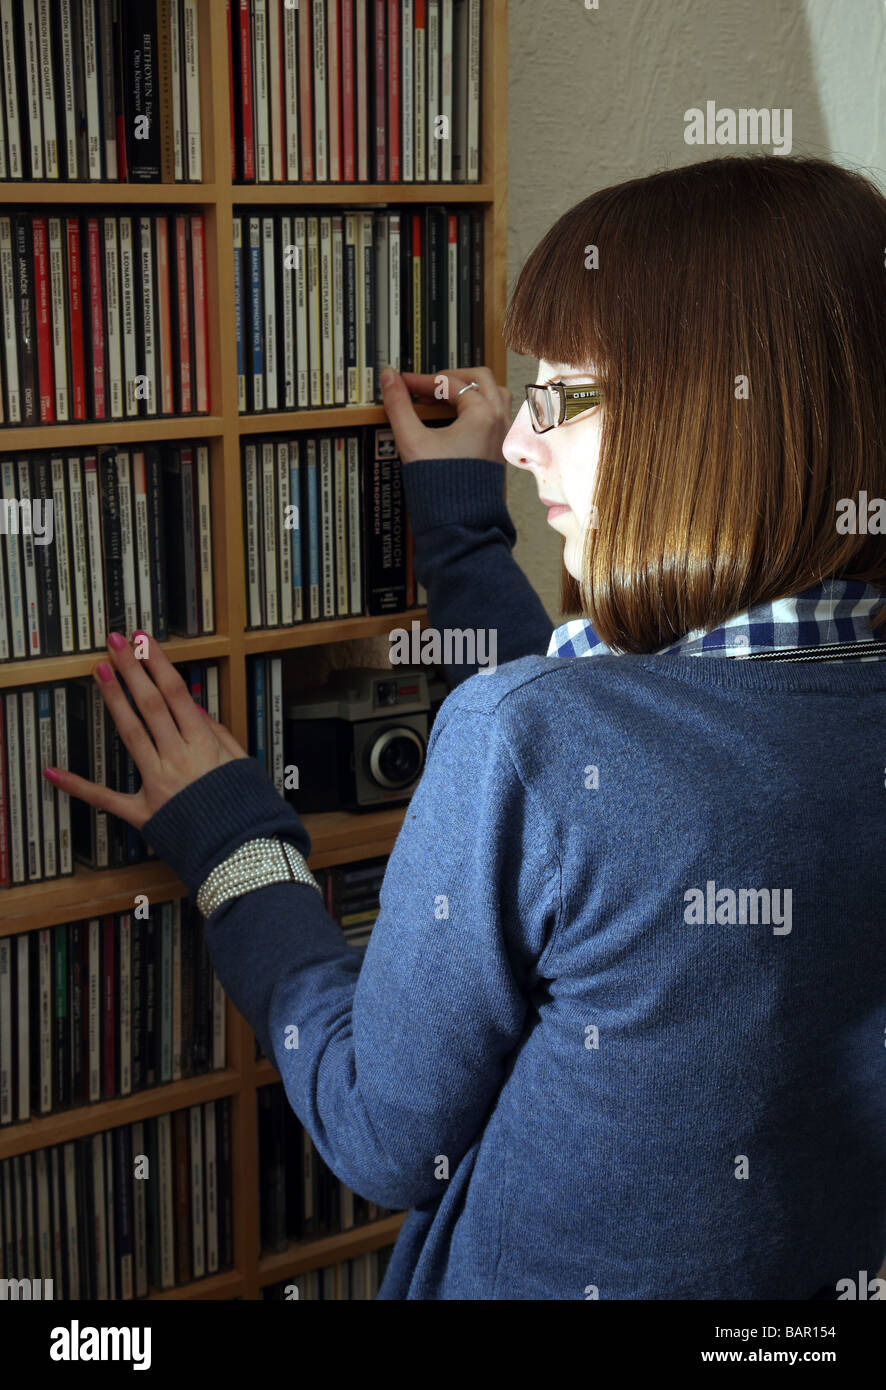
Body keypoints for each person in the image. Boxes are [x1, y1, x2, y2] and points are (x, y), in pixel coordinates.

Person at [47, 154, 886, 1299]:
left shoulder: (527, 742)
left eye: (569, 395)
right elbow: (628, 754)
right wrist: (458, 531)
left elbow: (383, 1133)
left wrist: (236, 844)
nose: (516, 437)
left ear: (717, 421)